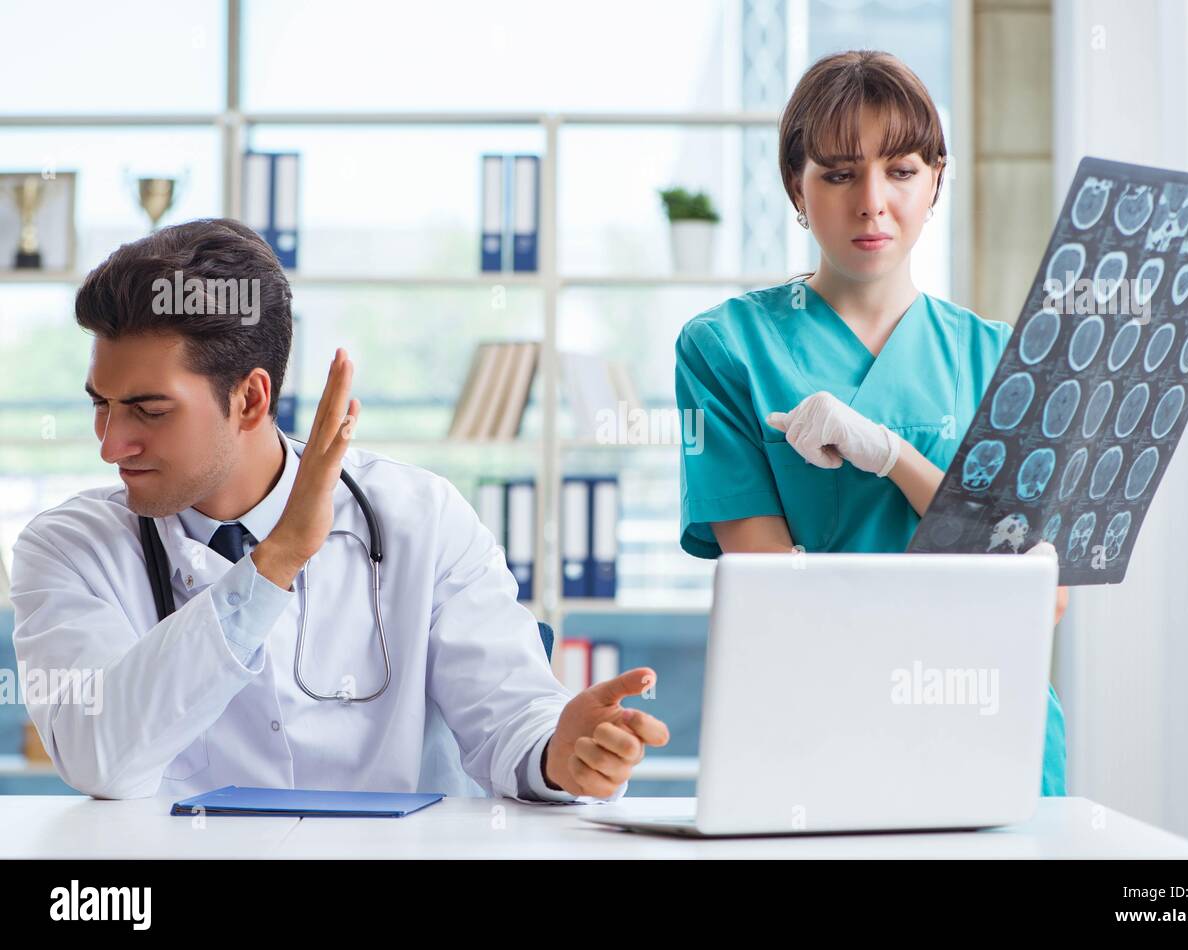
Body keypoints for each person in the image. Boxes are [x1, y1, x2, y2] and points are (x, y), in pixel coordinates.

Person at [11, 218, 668, 801]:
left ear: (250, 400)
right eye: (102, 403)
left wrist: (563, 756)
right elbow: (99, 759)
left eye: (148, 411)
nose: (111, 444)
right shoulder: (66, 549)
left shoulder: (422, 517)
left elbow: (511, 722)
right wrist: (274, 564)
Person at [674, 50, 1067, 795]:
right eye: (839, 173)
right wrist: (967, 557)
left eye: (903, 170)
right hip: (823, 735)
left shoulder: (1000, 358)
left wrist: (890, 456)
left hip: (995, 728)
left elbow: (1038, 599)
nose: (872, 203)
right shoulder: (726, 349)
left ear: (937, 181)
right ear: (797, 185)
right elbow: (770, 595)